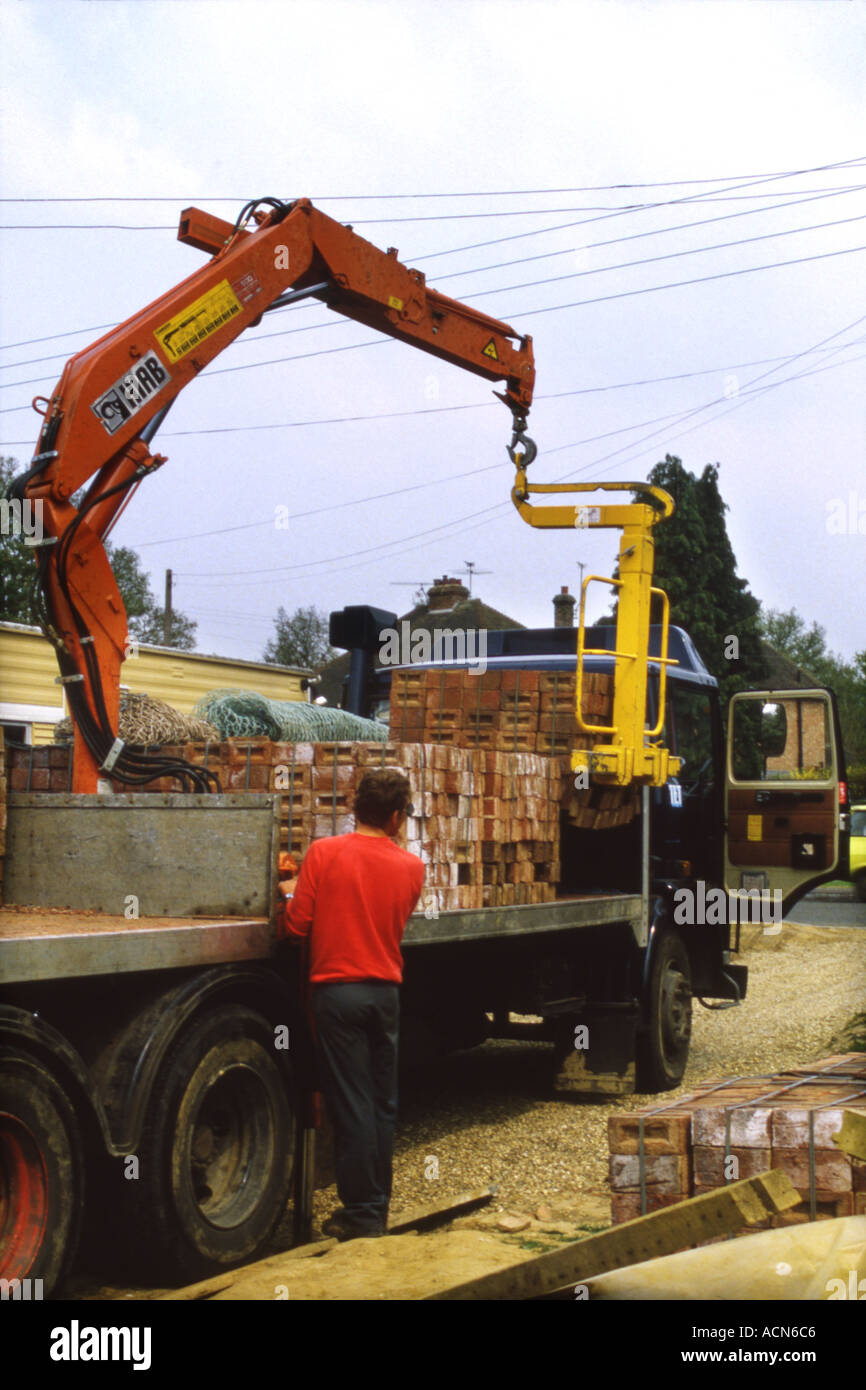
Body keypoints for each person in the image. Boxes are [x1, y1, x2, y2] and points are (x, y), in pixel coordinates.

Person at [280, 767, 425, 1240]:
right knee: (383, 1103)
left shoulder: (324, 854)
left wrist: (291, 894)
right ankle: (375, 1209)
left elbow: (296, 928)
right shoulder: (411, 867)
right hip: (385, 994)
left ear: (353, 806)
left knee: (351, 1104)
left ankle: (360, 1215)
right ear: (398, 817)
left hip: (336, 993)